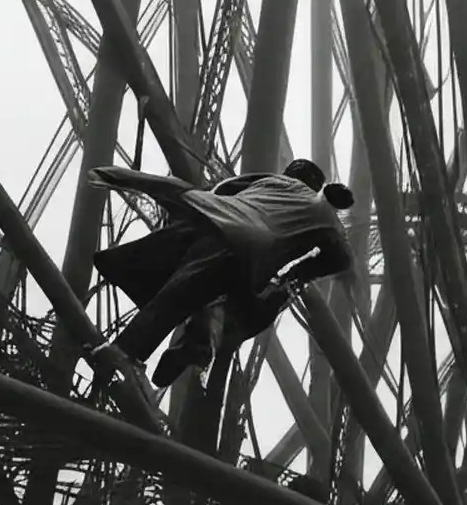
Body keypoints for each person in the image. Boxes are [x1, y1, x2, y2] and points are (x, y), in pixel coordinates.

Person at [88, 159, 355, 386]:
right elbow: (341, 258)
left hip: (215, 224)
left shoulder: (268, 182)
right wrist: (300, 271)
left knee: (176, 289)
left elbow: (219, 189)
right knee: (220, 301)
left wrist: (121, 177)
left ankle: (128, 349)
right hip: (253, 261)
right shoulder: (321, 209)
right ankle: (200, 342)